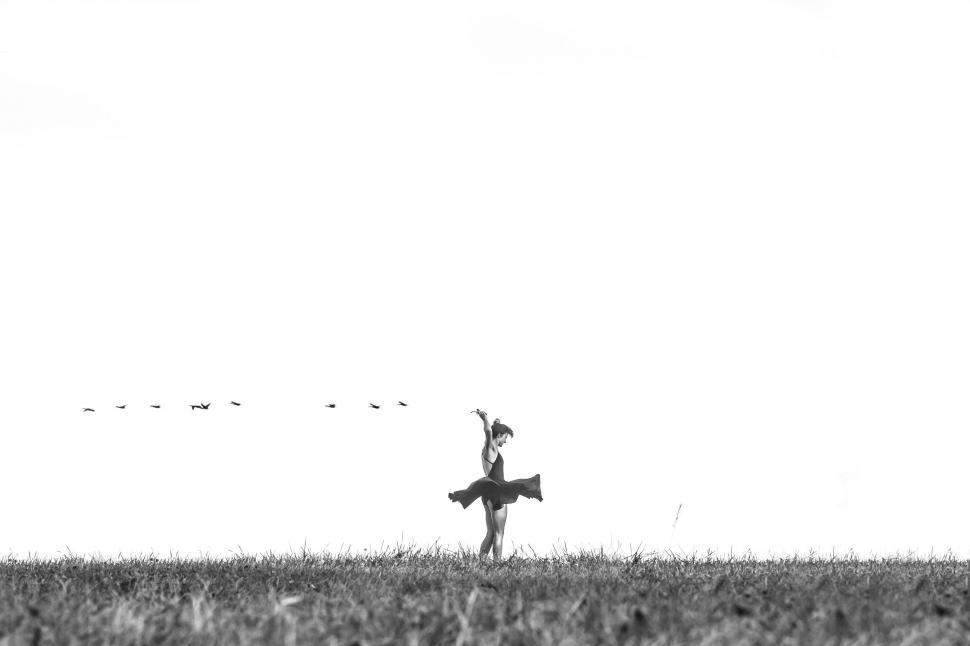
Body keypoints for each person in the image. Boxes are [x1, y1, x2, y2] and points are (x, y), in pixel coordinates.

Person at [448, 409, 542, 560]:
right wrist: (485, 418)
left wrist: (496, 424)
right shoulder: (491, 447)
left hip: (486, 492)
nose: (506, 441)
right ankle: (497, 565)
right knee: (499, 533)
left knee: (491, 533)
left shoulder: (487, 450)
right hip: (498, 491)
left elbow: (491, 432)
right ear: (499, 436)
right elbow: (487, 432)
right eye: (505, 437)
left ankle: (480, 563)